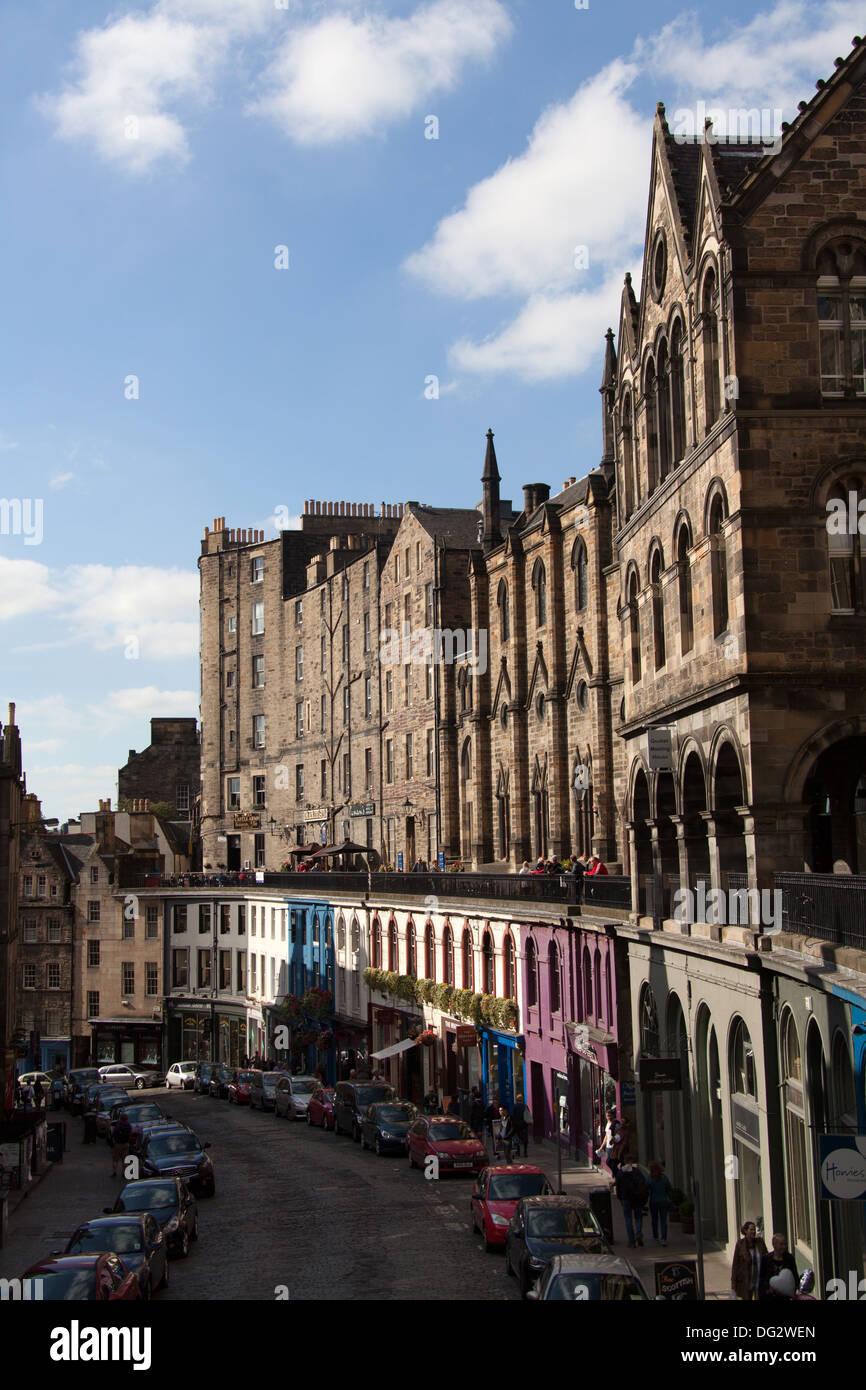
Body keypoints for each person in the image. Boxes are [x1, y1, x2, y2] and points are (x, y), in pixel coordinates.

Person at [615, 1156, 648, 1248]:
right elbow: (643, 1183)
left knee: (628, 1219)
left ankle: (631, 1241)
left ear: (625, 1161)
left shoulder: (621, 1172)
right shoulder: (637, 1171)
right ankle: (638, 1232)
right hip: (637, 1198)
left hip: (626, 1198)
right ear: (631, 1161)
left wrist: (620, 1198)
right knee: (638, 1217)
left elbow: (618, 1187)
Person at [731, 1221, 768, 1300]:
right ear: (745, 1231)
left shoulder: (760, 1242)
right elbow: (735, 1265)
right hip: (746, 1281)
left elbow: (766, 1259)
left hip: (759, 1280)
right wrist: (733, 1285)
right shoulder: (740, 1244)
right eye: (751, 1230)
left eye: (754, 1229)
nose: (753, 1232)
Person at [758, 1233, 798, 1300]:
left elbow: (795, 1276)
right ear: (774, 1245)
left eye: (785, 1244)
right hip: (769, 1296)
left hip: (785, 1296)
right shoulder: (766, 1259)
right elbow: (761, 1278)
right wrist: (766, 1289)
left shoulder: (789, 1259)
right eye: (781, 1244)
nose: (783, 1247)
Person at [646, 1160, 673, 1245]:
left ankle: (655, 1236)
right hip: (663, 1201)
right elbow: (669, 1189)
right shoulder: (664, 1178)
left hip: (654, 1201)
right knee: (663, 1221)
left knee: (654, 1220)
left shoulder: (650, 1179)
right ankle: (663, 1238)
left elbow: (646, 1189)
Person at [596, 1107, 622, 1178]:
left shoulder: (615, 1124)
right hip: (608, 1147)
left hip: (614, 1146)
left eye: (610, 1115)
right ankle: (617, 1177)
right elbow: (606, 1136)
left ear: (613, 1115)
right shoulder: (607, 1124)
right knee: (611, 1163)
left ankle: (619, 1176)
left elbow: (619, 1134)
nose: (609, 1117)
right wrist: (601, 1147)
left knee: (609, 1162)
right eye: (607, 1116)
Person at [110, 1109, 133, 1177]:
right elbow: (130, 1133)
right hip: (126, 1144)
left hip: (118, 1144)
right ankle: (123, 1172)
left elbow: (114, 1133)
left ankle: (114, 1172)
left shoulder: (118, 1125)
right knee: (125, 1159)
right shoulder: (129, 1125)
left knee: (115, 1159)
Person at [512, 1092, 530, 1157]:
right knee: (525, 1138)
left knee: (517, 1138)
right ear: (522, 1099)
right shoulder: (525, 1106)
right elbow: (528, 1115)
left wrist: (513, 1124)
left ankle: (518, 1152)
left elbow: (513, 1116)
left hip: (517, 1125)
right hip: (524, 1125)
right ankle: (525, 1152)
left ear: (517, 1099)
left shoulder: (515, 1106)